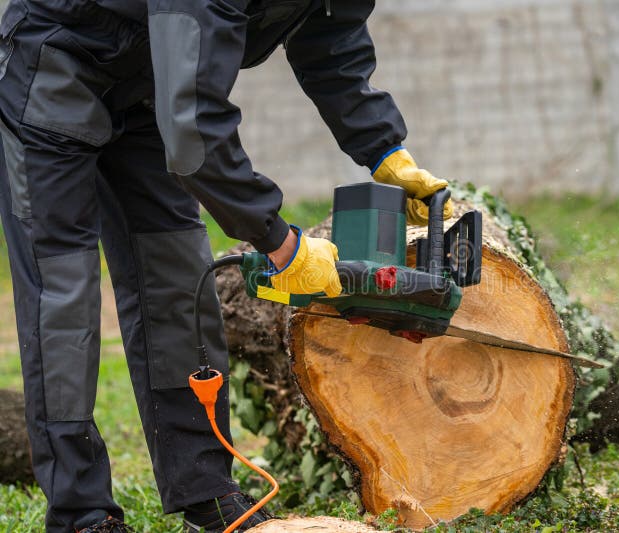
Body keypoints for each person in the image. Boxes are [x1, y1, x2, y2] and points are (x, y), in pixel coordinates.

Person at [0, 0, 453, 532]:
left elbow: (331, 41)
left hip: (153, 87)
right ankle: (82, 514)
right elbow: (193, 130)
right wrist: (280, 243)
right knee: (63, 300)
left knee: (177, 282)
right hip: (56, 65)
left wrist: (383, 149)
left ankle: (207, 493)